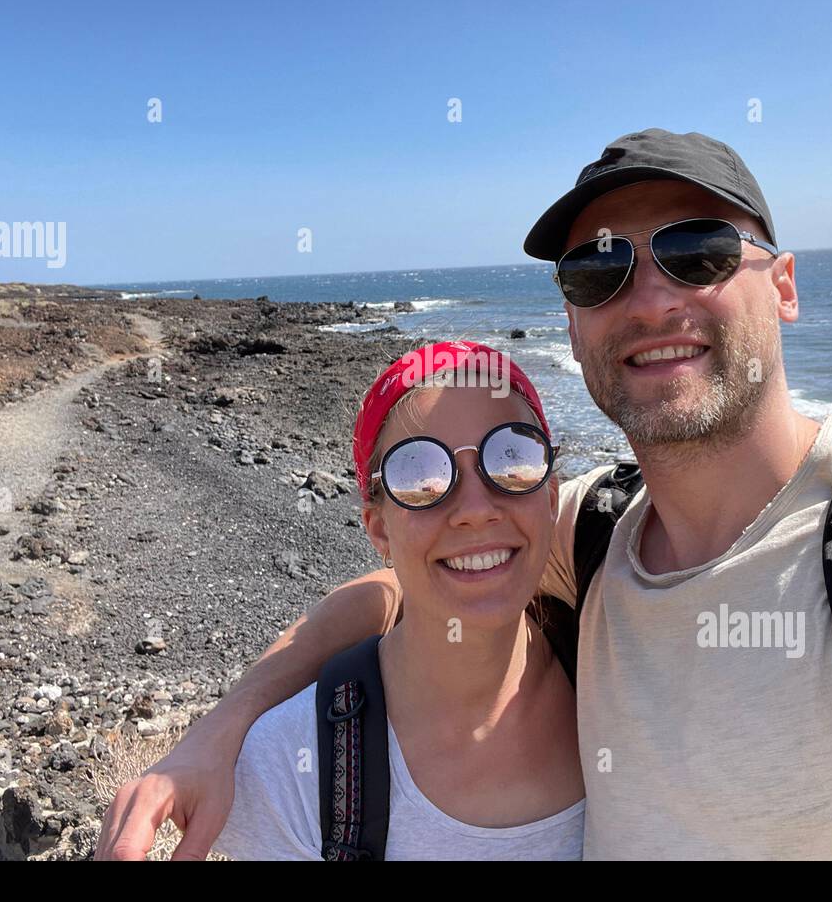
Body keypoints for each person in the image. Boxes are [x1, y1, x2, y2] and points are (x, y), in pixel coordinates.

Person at [98, 128, 832, 861]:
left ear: (785, 286)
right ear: (574, 327)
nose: (651, 296)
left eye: (699, 251)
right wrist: (216, 735)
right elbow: (403, 591)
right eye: (598, 271)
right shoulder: (591, 532)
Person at [211, 341, 584, 860]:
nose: (475, 510)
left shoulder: (616, 681)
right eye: (419, 475)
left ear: (550, 497)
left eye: (511, 458)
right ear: (378, 528)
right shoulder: (292, 765)